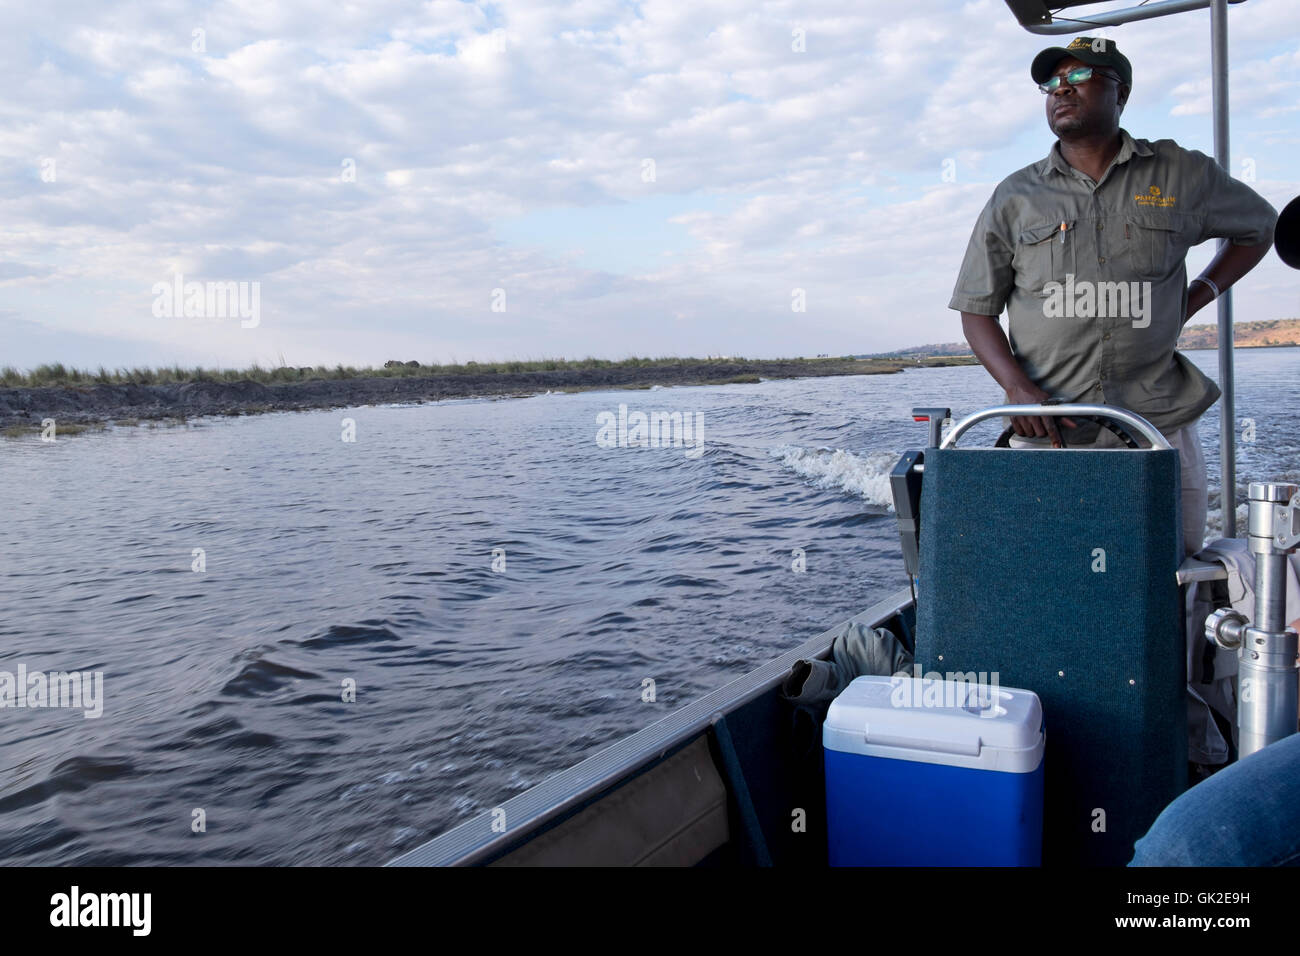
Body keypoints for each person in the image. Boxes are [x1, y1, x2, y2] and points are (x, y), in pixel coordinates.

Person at [949, 36, 1276, 557]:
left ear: (1119, 93)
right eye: (1051, 83)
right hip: (1051, 427)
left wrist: (1198, 294)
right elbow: (976, 309)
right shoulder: (1015, 196)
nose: (1061, 91)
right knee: (1048, 569)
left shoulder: (1181, 173)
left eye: (1079, 78)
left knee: (1172, 569)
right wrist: (1015, 388)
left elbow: (1260, 227)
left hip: (1157, 421)